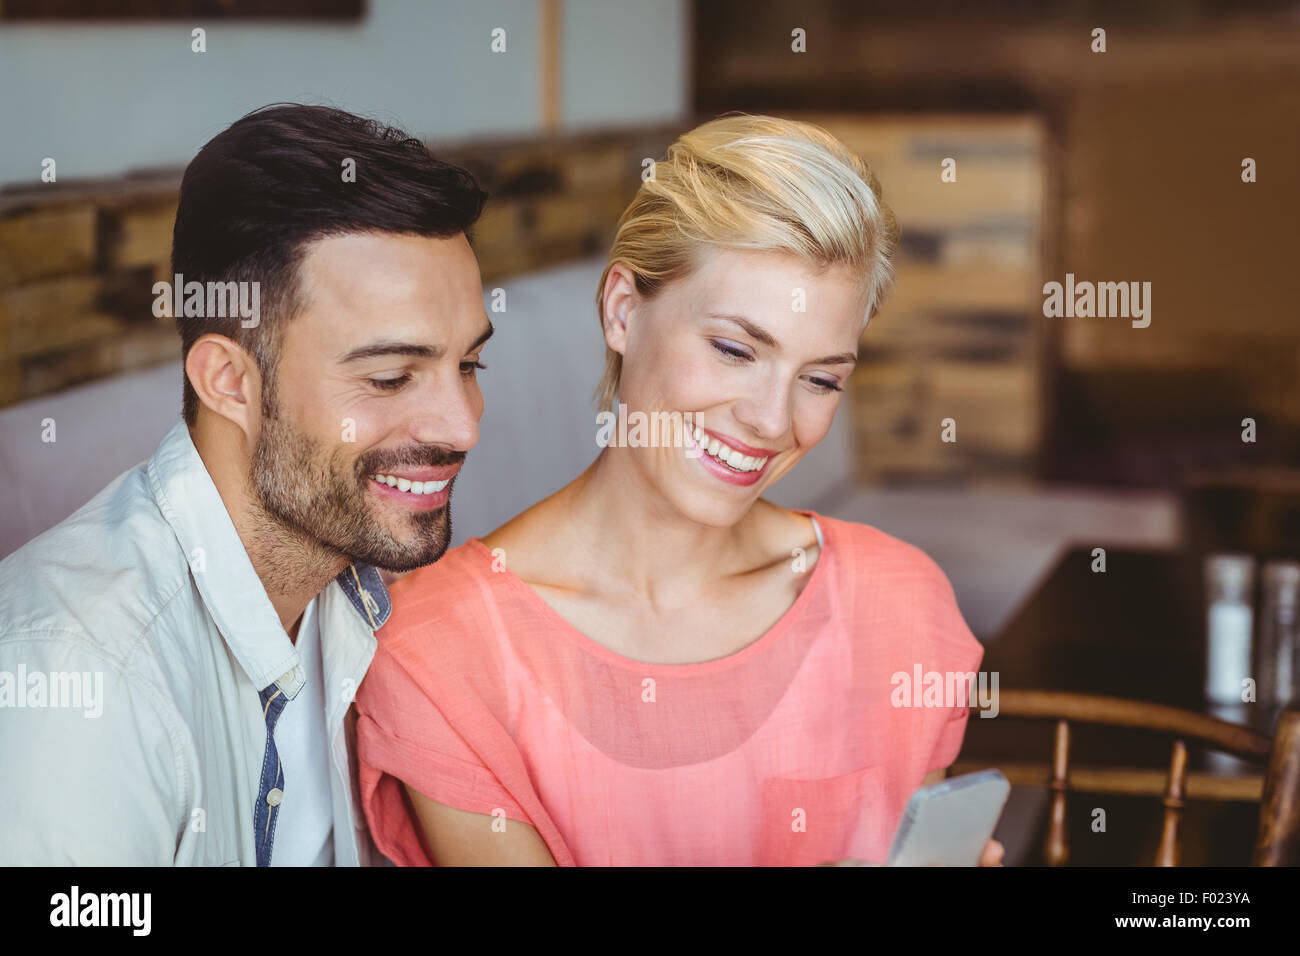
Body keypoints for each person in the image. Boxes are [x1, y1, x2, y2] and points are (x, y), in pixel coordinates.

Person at [355, 113, 1003, 866]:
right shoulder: (445, 652)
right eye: (734, 349)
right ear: (622, 311)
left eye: (821, 379)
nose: (770, 420)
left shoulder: (897, 605)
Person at [0, 104, 492, 865]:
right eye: (392, 377)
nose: (462, 425)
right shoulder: (80, 683)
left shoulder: (357, 585)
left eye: (468, 366)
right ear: (230, 381)